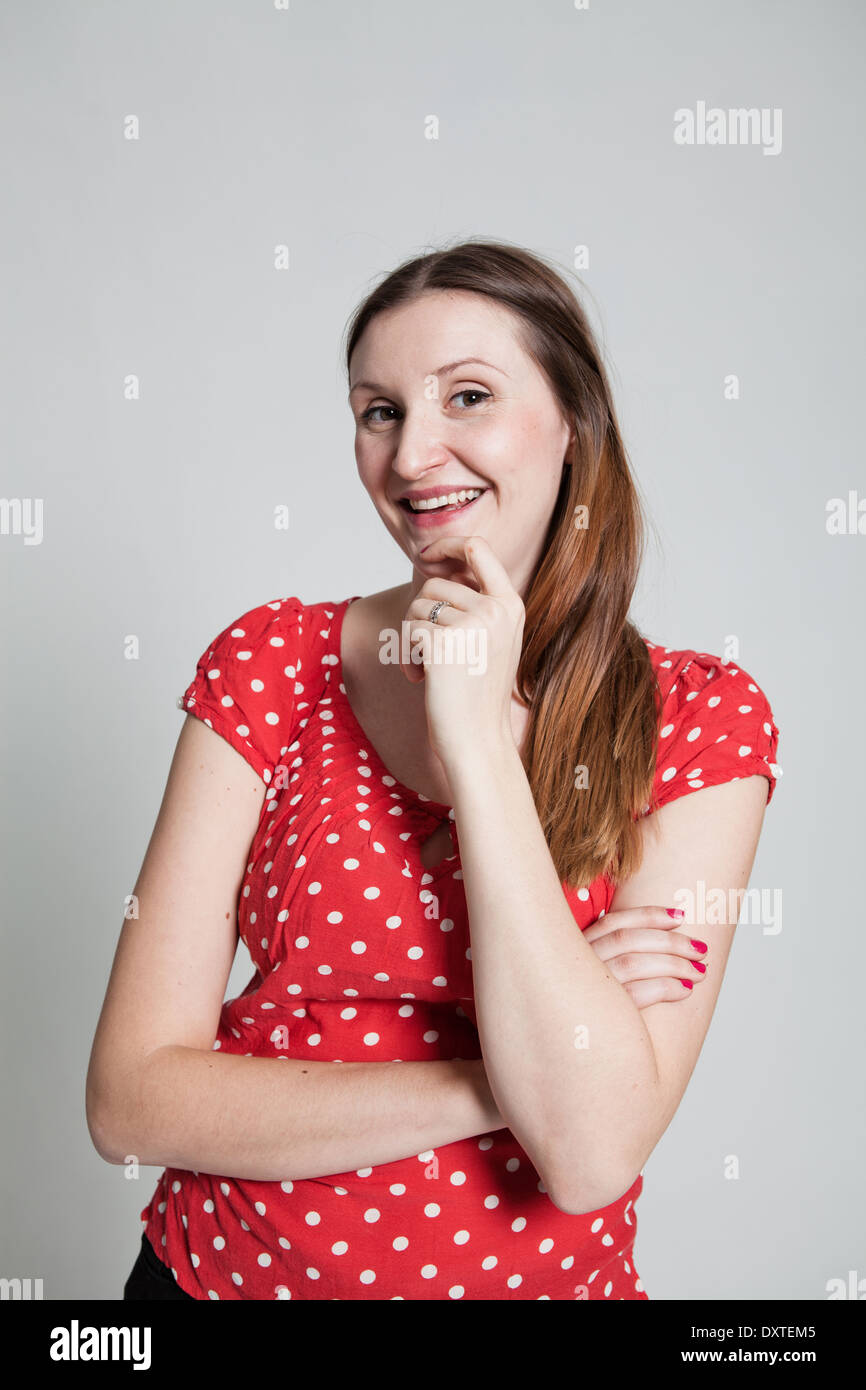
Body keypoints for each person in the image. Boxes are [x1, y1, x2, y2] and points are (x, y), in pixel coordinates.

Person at [87, 239, 782, 1300]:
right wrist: (508, 1085)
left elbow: (591, 1156)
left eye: (466, 396)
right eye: (379, 410)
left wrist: (472, 736)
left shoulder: (694, 719)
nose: (413, 456)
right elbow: (129, 1100)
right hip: (215, 1283)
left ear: (571, 428)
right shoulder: (275, 665)